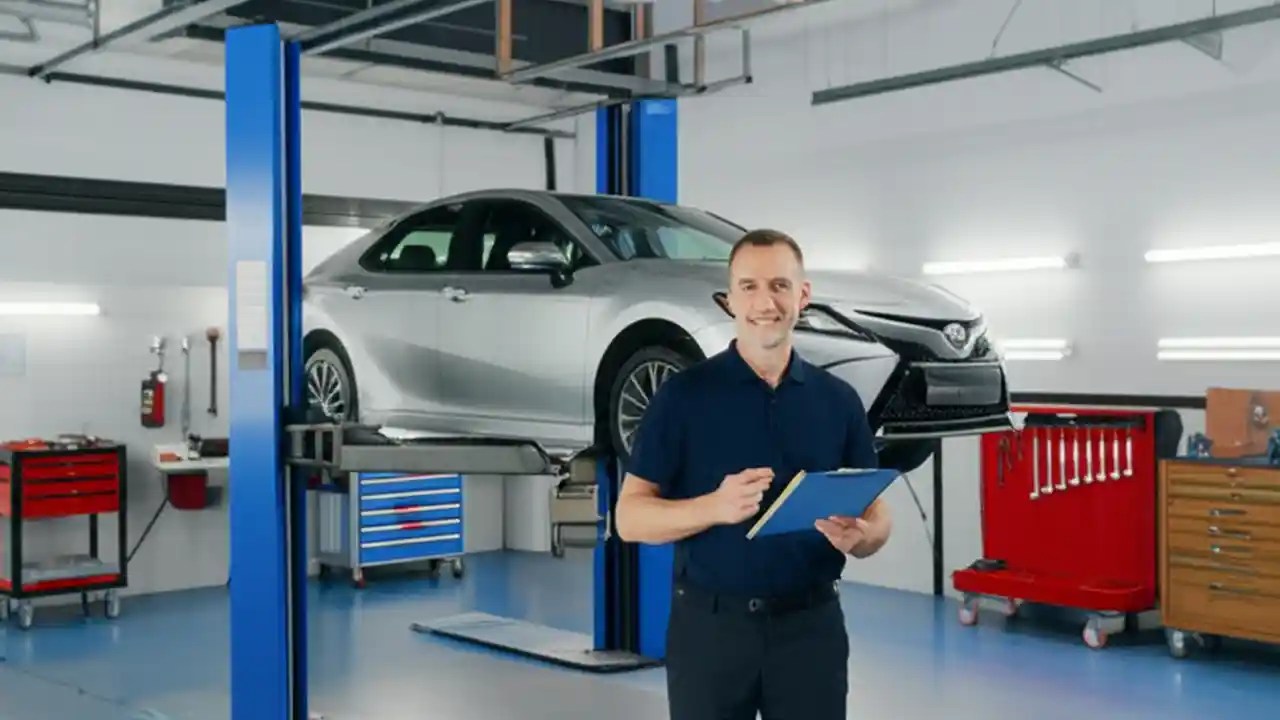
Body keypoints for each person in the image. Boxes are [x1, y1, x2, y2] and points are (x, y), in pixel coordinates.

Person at [614, 228, 893, 720]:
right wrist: (712, 508)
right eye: (749, 287)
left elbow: (875, 510)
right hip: (711, 632)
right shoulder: (683, 398)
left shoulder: (838, 401)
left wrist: (866, 537)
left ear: (803, 295)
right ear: (729, 299)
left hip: (812, 631)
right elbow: (630, 519)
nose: (765, 302)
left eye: (780, 286)